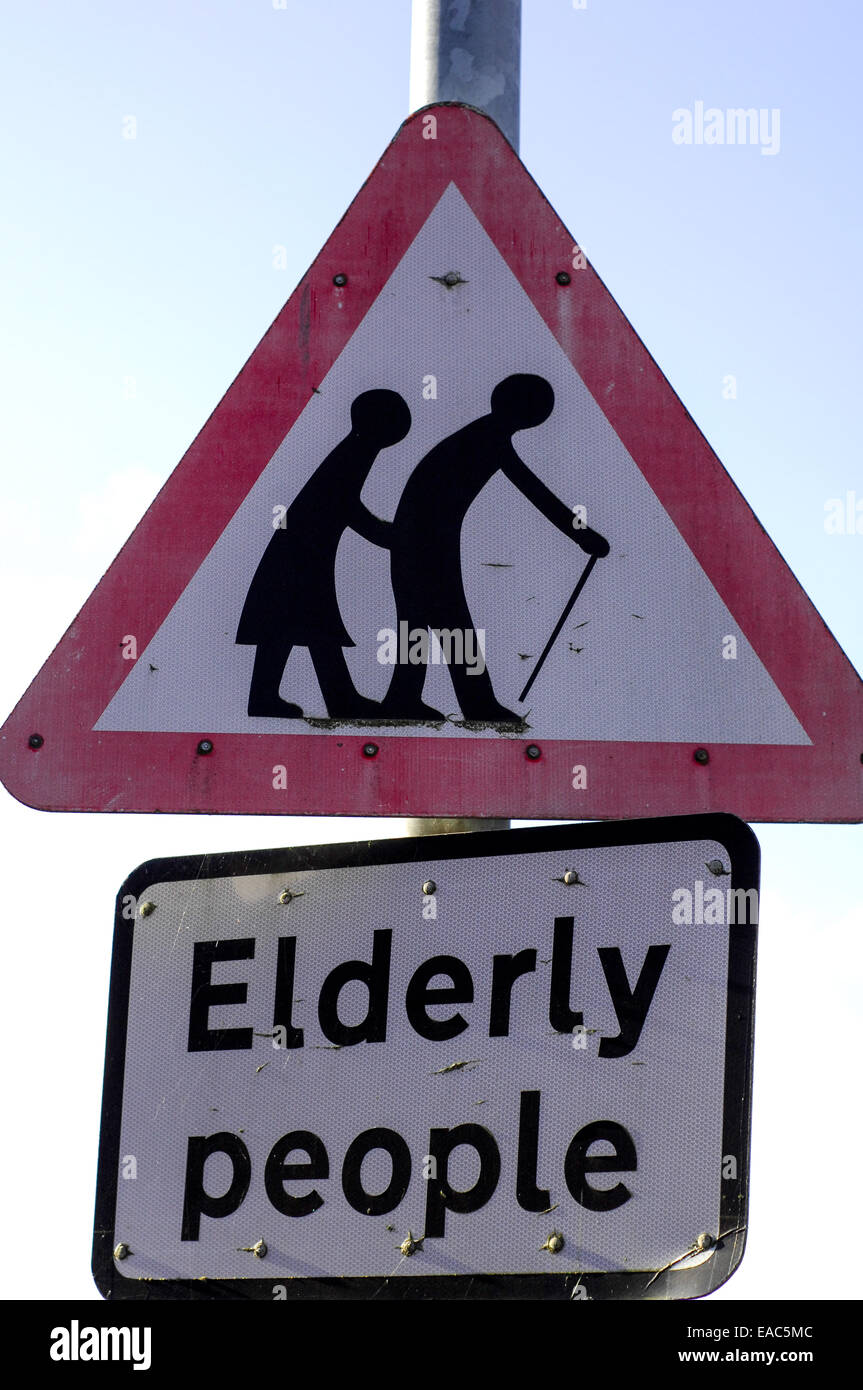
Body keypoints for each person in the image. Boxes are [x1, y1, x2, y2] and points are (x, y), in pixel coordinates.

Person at [381, 374, 609, 722]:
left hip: (421, 540)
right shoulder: (489, 438)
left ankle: (405, 696)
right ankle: (473, 703)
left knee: (424, 621)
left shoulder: (483, 434)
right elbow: (536, 492)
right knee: (448, 621)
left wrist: (583, 535)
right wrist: (582, 535)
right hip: (425, 543)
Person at [237, 388, 410, 718]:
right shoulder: (356, 451)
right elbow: (345, 504)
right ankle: (274, 697)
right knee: (287, 624)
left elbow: (342, 504)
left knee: (311, 624)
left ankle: (339, 697)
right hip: (300, 553)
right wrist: (389, 537)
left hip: (307, 550)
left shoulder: (357, 447)